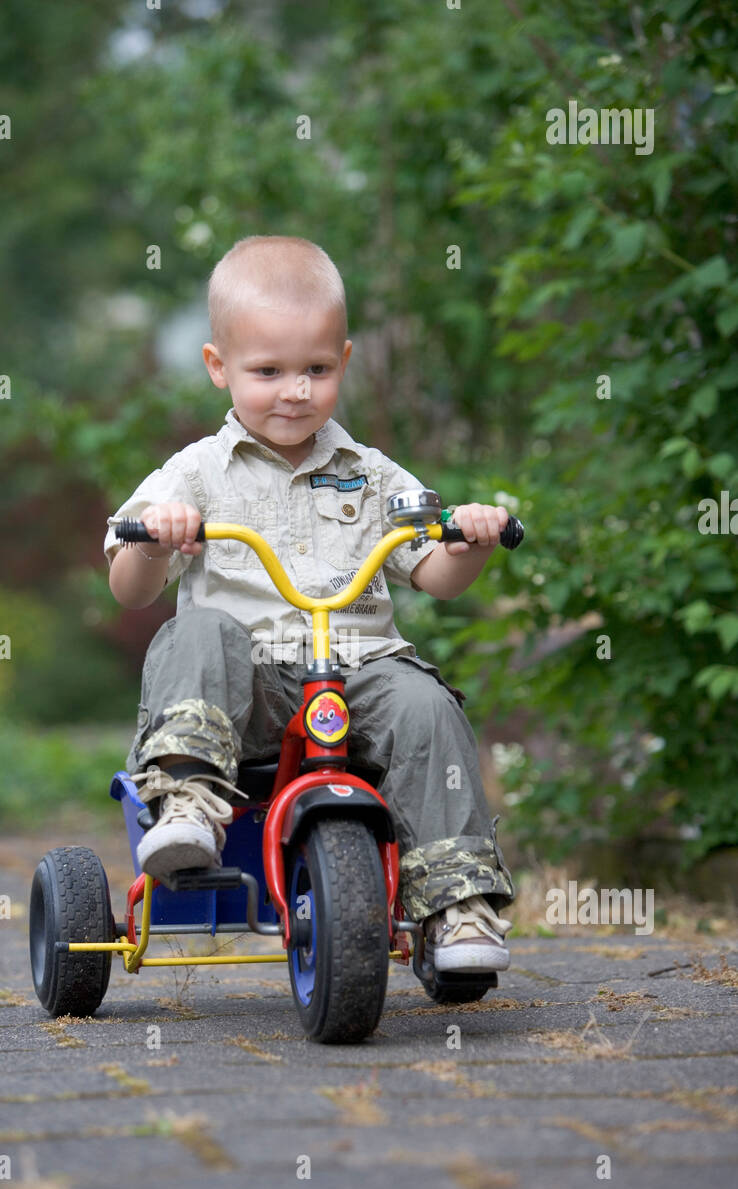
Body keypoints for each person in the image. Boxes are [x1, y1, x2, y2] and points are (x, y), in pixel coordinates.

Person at [104, 236, 514, 974]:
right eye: (268, 372)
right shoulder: (195, 473)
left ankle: (456, 904)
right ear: (218, 367)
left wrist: (471, 539)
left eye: (317, 370)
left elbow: (437, 575)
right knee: (198, 633)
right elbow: (130, 588)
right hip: (248, 686)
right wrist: (157, 541)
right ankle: (189, 798)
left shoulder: (373, 473)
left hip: (361, 671)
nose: (295, 390)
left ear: (344, 363)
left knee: (426, 705)